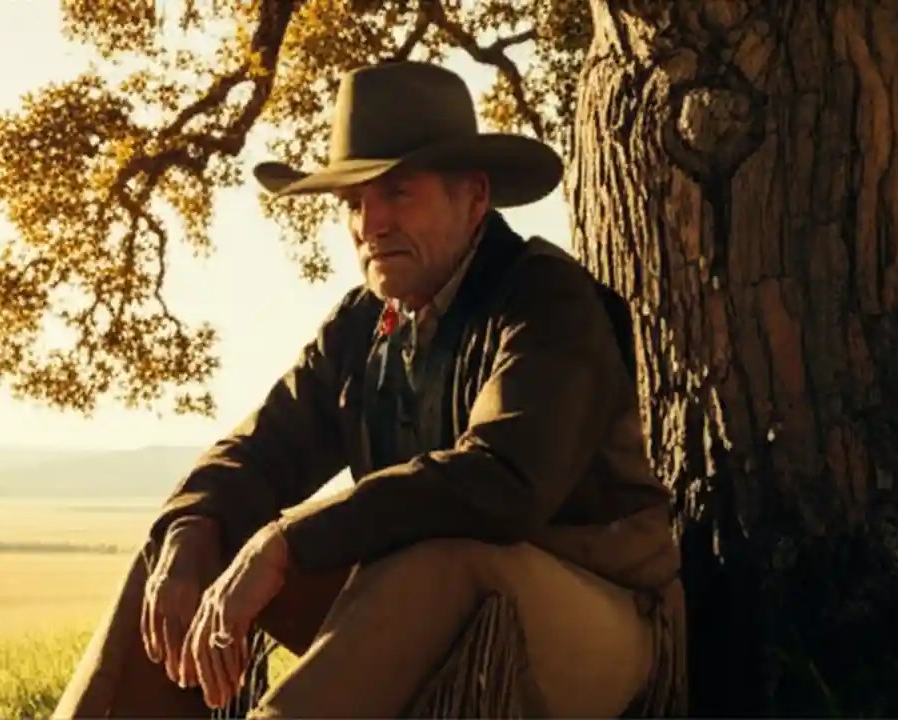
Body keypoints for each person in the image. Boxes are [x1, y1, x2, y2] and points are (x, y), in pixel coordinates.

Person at [52, 60, 686, 719]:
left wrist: (288, 540)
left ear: (474, 197)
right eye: (353, 203)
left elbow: (503, 484)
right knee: (185, 555)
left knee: (442, 558)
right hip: (410, 603)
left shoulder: (546, 301)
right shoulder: (363, 325)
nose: (370, 223)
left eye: (397, 193)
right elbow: (263, 450)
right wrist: (193, 527)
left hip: (602, 626)